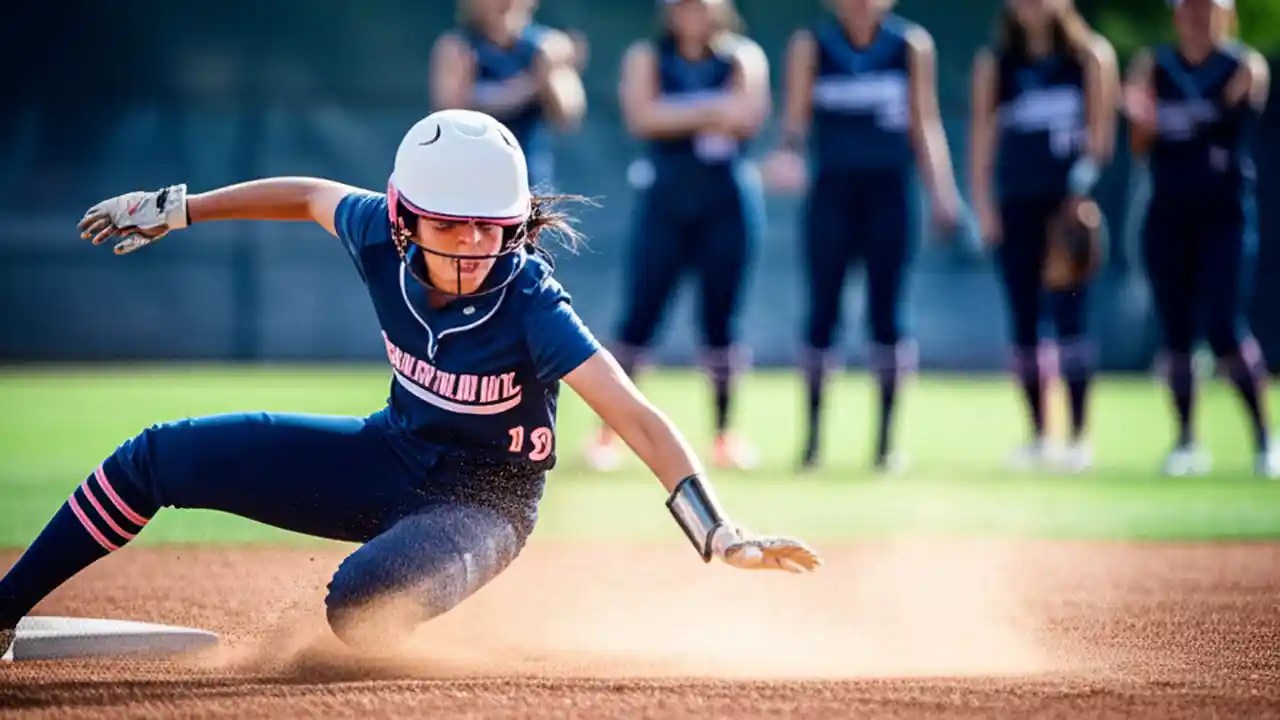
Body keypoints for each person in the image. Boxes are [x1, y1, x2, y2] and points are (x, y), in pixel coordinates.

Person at [0, 110, 821, 659]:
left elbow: (632, 414)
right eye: (448, 221)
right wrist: (180, 208)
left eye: (490, 226)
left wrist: (718, 530)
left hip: (486, 505)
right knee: (155, 459)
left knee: (359, 606)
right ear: (402, 216)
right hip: (392, 455)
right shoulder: (375, 235)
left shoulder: (529, 300)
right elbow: (309, 195)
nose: (470, 241)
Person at [761, 0, 962, 472]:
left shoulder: (909, 45)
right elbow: (795, 120)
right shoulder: (813, 45)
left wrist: (943, 193)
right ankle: (811, 444)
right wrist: (787, 153)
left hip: (889, 194)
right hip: (832, 194)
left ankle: (886, 445)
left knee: (888, 315)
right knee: (822, 314)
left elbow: (925, 122)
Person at [584, 0, 770, 472]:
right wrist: (712, 108)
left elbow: (748, 114)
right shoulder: (648, 56)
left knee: (721, 323)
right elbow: (643, 117)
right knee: (639, 320)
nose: (692, 11)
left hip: (727, 205)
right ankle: (608, 435)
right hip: (665, 204)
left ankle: (726, 435)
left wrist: (679, 112)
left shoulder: (741, 57)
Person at [1124, 0, 1276, 477]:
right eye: (1189, 9)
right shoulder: (1156, 66)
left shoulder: (1243, 64)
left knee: (1224, 327)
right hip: (1169, 213)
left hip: (1224, 215)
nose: (1197, 17)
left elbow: (1229, 123)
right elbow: (1141, 143)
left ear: (1225, 15)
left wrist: (1175, 119)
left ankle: (1264, 438)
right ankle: (1187, 441)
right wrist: (1145, 120)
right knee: (1175, 333)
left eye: (1208, 9)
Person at [969, 0, 1118, 473]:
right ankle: (1038, 437)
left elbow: (1100, 141)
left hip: (1067, 209)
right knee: (1025, 324)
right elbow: (982, 140)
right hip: (1017, 207)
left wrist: (1080, 192)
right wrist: (984, 207)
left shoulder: (1089, 56)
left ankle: (1078, 437)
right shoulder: (998, 63)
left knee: (1072, 319)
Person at [429, 0, 587, 189]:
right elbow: (449, 112)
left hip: (531, 180)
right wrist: (530, 83)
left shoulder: (544, 45)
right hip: (473, 179)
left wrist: (549, 72)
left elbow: (568, 115)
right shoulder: (458, 46)